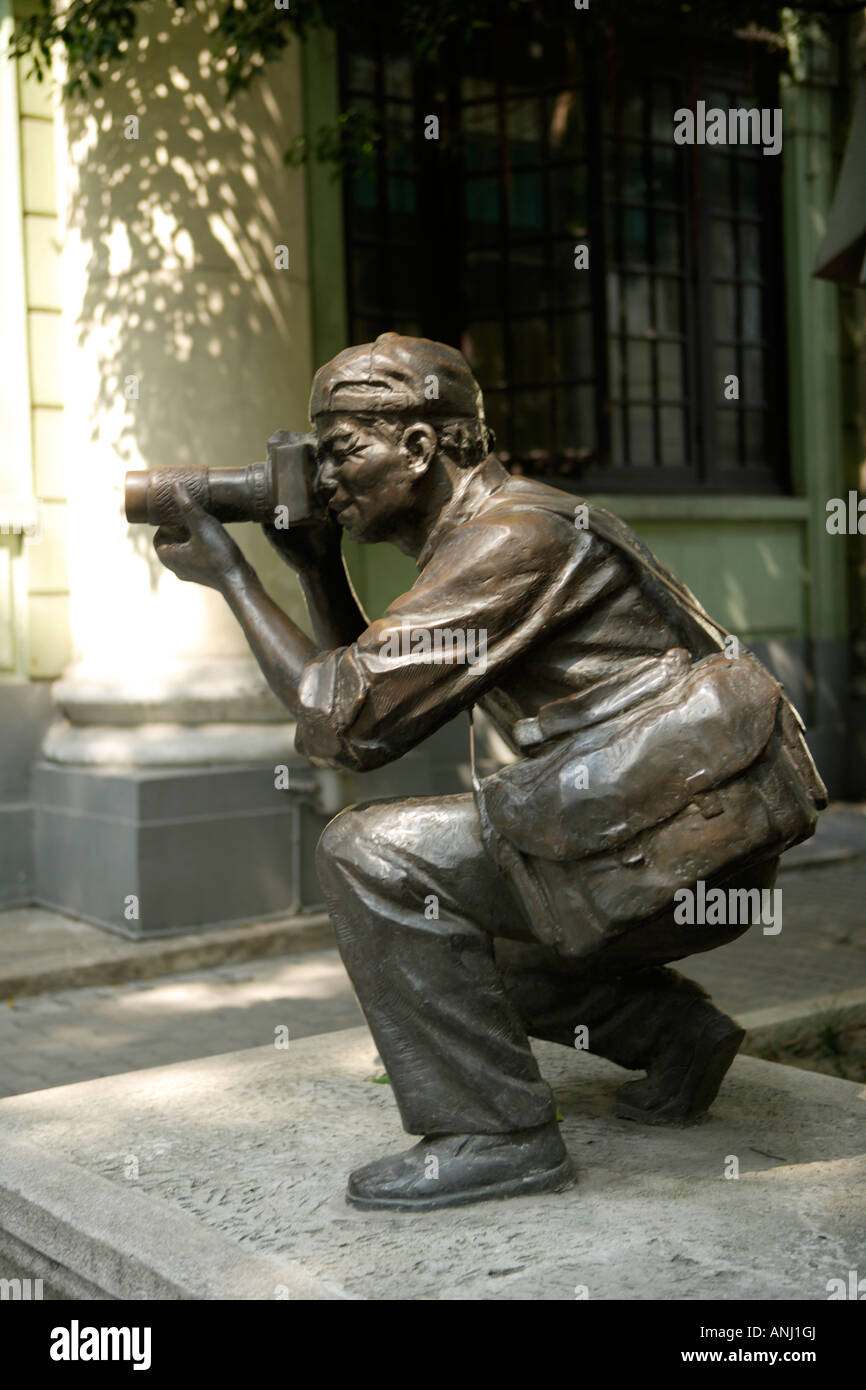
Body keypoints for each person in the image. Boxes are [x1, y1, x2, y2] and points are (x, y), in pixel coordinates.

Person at [153, 332, 802, 1212]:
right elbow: (373, 704)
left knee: (372, 855)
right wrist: (317, 568)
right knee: (455, 933)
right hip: (685, 847)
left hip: (670, 854)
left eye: (344, 451)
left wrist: (233, 578)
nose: (329, 480)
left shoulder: (510, 540)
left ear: (420, 449)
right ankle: (678, 1038)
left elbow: (340, 723)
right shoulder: (511, 523)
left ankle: (495, 1135)